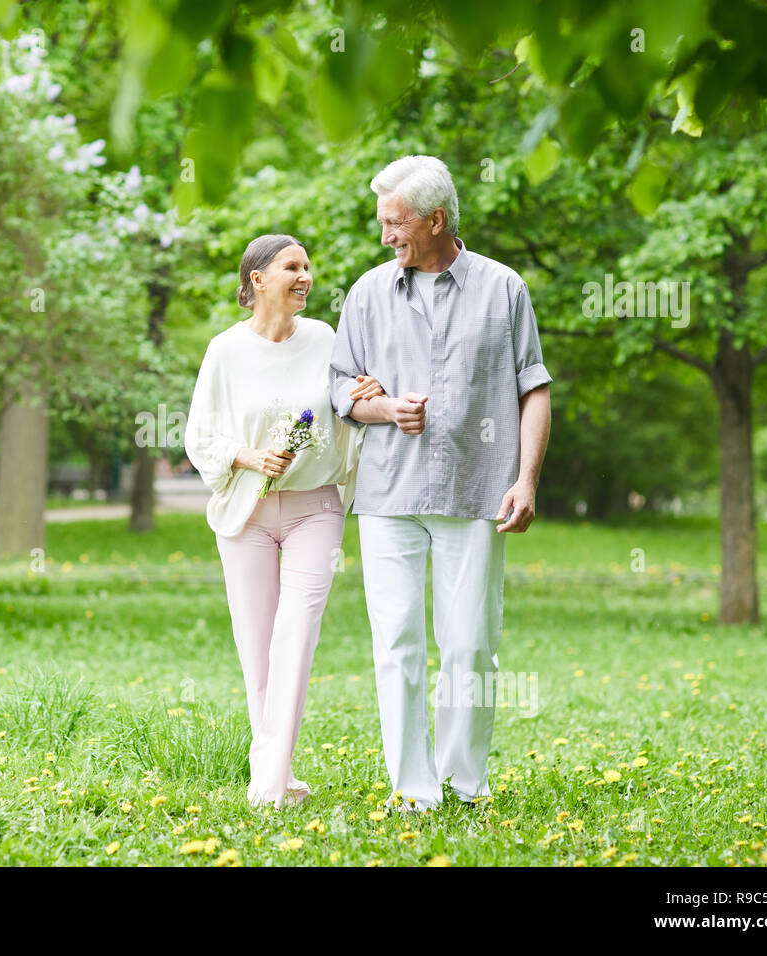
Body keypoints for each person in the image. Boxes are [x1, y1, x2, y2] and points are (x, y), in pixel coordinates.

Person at [329, 155, 552, 813]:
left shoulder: (503, 287)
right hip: (388, 493)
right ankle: (414, 790)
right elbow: (341, 384)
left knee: (470, 643)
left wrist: (527, 480)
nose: (385, 236)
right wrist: (382, 408)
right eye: (382, 223)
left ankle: (464, 784)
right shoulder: (368, 292)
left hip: (475, 488)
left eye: (395, 223)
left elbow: (532, 387)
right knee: (395, 639)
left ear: (435, 219)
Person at [185, 234, 384, 809]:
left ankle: (268, 787)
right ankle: (280, 774)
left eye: (307, 267)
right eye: (291, 267)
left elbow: (349, 403)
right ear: (256, 280)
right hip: (245, 512)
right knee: (257, 648)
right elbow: (199, 437)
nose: (305, 276)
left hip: (314, 508)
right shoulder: (224, 350)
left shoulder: (325, 339)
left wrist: (365, 391)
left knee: (295, 638)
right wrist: (248, 457)